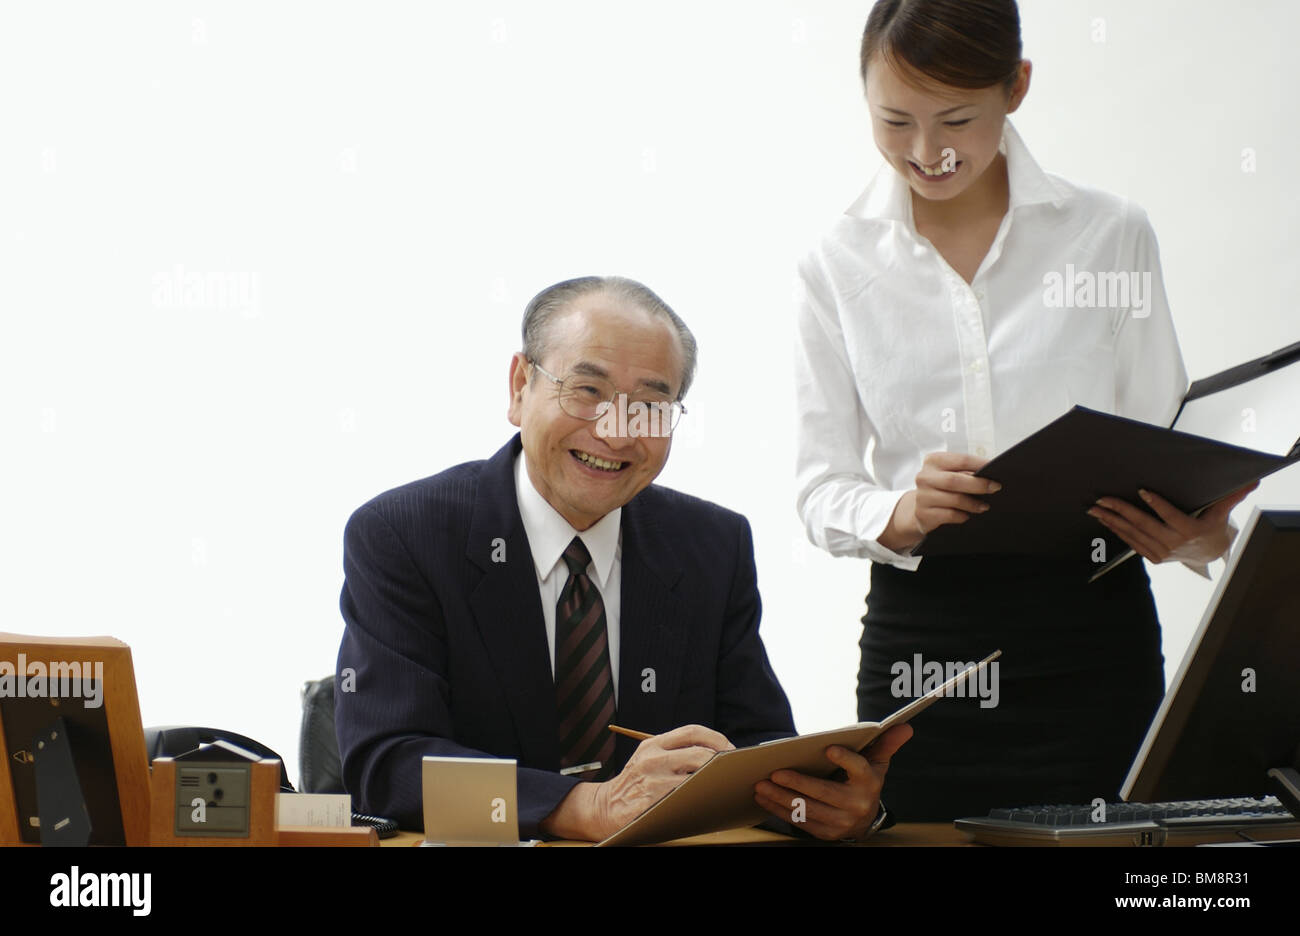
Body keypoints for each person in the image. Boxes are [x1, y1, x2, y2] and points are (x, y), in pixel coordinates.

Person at [794, 0, 1254, 821]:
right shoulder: (835, 261)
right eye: (893, 120)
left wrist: (1198, 533)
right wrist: (900, 510)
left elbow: (1165, 449)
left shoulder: (1110, 234)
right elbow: (821, 485)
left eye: (958, 120)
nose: (926, 152)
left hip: (1091, 645)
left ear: (1018, 87)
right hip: (923, 654)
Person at [336, 275, 910, 842]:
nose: (615, 433)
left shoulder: (711, 544)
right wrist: (585, 806)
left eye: (650, 406)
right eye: (587, 391)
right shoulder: (403, 533)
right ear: (519, 387)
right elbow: (387, 766)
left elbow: (755, 751)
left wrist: (831, 807)